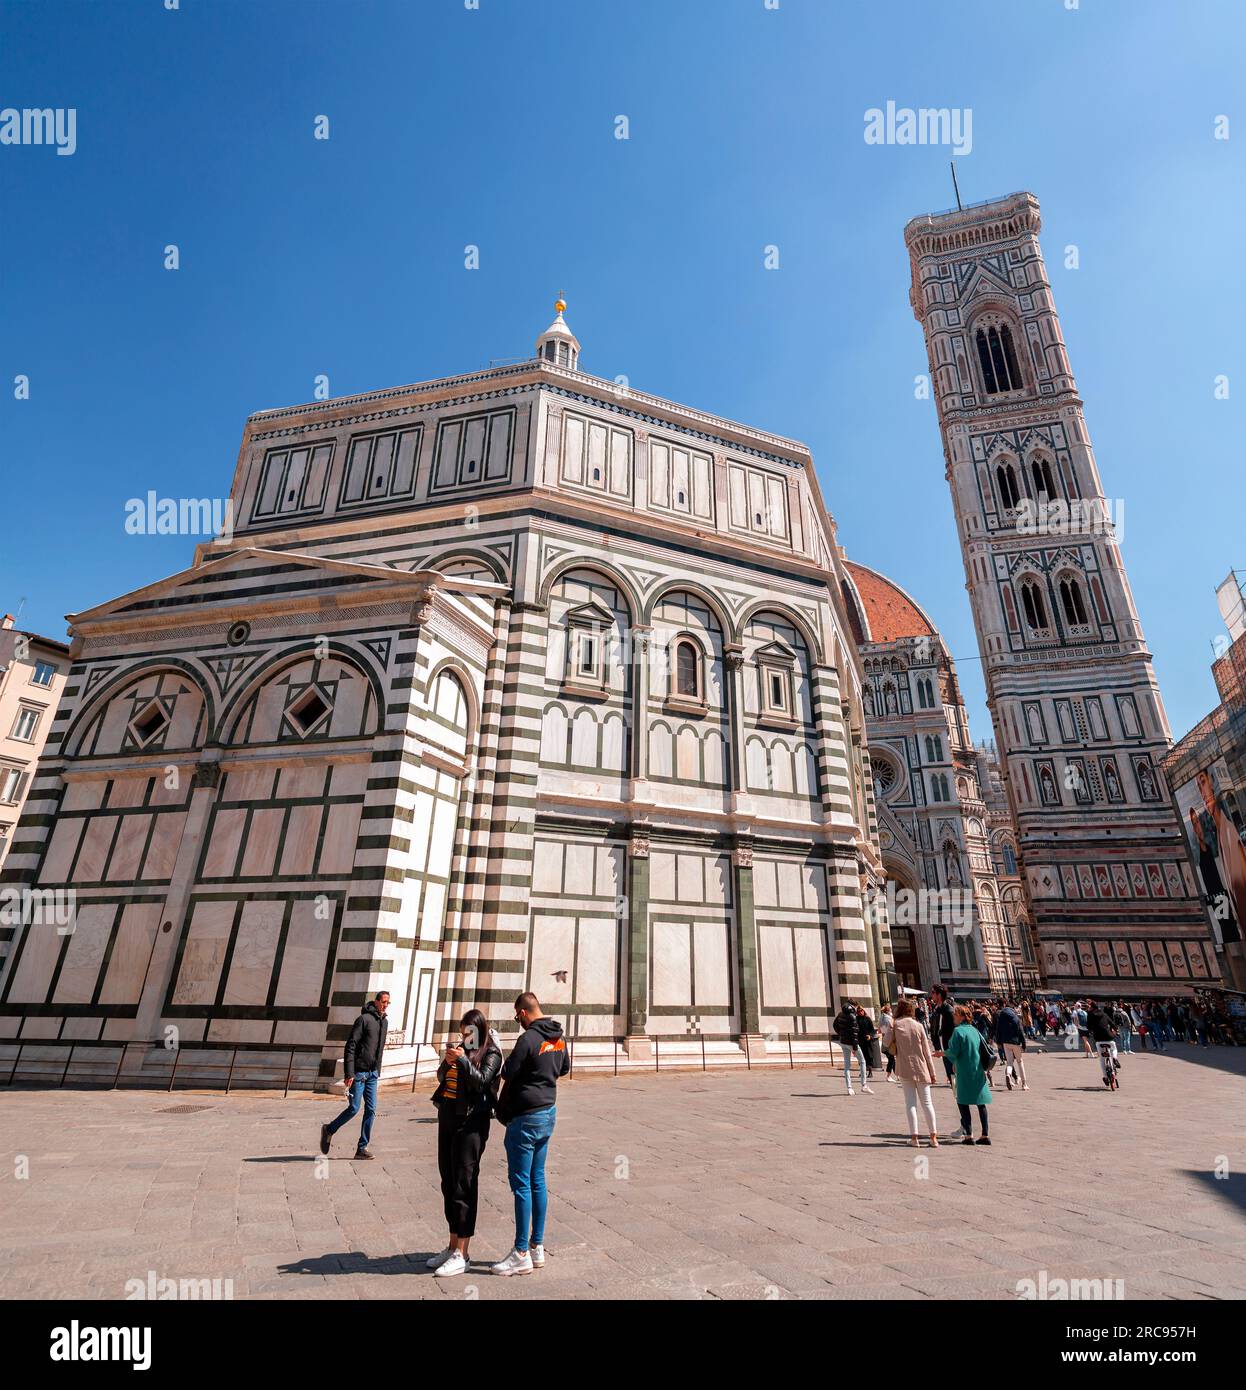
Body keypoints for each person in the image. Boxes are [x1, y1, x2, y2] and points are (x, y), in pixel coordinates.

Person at [491, 992, 569, 1277]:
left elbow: (507, 1072)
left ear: (522, 1013)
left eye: (516, 1017)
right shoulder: (558, 1037)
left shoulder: (528, 1039)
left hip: (525, 1118)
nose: (517, 1021)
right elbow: (564, 1068)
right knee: (538, 1180)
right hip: (548, 1112)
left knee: (522, 1184)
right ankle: (537, 1246)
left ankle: (520, 1252)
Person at [426, 1009, 503, 1279]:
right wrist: (448, 1062)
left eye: (468, 1033)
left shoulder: (492, 1054)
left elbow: (482, 1083)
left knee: (464, 1184)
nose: (464, 1038)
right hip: (448, 1117)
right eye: (462, 1033)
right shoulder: (461, 1051)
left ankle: (463, 1252)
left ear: (479, 1031)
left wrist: (462, 1062)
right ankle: (451, 1246)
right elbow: (441, 1078)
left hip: (472, 1124)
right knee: (448, 1181)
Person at [320, 990, 389, 1160]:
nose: (385, 1005)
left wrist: (377, 1069)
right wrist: (349, 1073)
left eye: (388, 1003)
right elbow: (350, 1046)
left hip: (372, 1074)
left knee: (371, 1110)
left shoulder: (384, 1022)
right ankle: (329, 1129)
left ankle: (362, 1148)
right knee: (354, 1108)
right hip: (359, 1073)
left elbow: (378, 1049)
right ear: (376, 1002)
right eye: (383, 1002)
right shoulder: (363, 1020)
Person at [890, 998, 940, 1147]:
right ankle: (933, 1138)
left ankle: (914, 1138)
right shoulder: (919, 1026)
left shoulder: (896, 1025)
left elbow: (886, 1042)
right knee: (927, 1103)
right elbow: (926, 1052)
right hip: (921, 1068)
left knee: (910, 1104)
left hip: (905, 1069)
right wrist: (933, 1072)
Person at [944, 1004, 992, 1144]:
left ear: (962, 1016)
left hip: (964, 1071)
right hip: (977, 1070)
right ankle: (985, 1135)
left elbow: (953, 1052)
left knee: (962, 1102)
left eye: (956, 1014)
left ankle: (969, 1135)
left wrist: (942, 1053)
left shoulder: (958, 1031)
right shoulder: (974, 1030)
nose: (954, 1017)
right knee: (981, 1103)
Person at [834, 1000, 871, 1095]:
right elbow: (854, 1032)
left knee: (847, 1065)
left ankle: (849, 1088)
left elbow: (835, 1025)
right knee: (862, 1061)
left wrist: (841, 1034)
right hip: (851, 1043)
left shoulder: (840, 1014)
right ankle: (864, 1085)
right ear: (854, 1006)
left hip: (843, 1042)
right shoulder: (852, 1016)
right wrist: (855, 1047)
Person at [993, 999, 1029, 1091]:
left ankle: (1008, 1074)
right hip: (1015, 1042)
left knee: (1009, 1062)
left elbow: (998, 1030)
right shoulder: (1015, 1017)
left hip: (1005, 1042)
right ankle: (1024, 1084)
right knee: (1020, 1062)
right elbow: (1021, 1031)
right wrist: (1024, 1044)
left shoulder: (1001, 1016)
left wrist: (998, 1042)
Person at [929, 985, 957, 1090]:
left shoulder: (949, 1011)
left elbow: (955, 1031)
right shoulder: (938, 1010)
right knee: (951, 1075)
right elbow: (935, 1029)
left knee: (954, 1074)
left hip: (950, 1048)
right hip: (943, 1048)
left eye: (933, 992)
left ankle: (960, 1097)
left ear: (939, 995)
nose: (931, 995)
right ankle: (957, 1094)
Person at [857, 1004, 879, 1082]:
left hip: (867, 1040)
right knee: (861, 1056)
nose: (860, 1012)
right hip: (860, 1040)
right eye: (858, 1011)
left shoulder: (867, 1019)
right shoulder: (856, 1019)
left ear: (863, 1011)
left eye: (861, 1011)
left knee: (868, 1056)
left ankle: (870, 1071)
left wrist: (870, 1035)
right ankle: (862, 1072)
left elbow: (872, 1029)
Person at [880, 1002, 897, 1081]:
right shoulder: (888, 1019)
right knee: (891, 1059)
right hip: (889, 1041)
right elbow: (890, 1030)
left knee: (892, 1058)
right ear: (888, 1011)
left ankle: (897, 1075)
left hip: (885, 1040)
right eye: (890, 1009)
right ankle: (888, 1076)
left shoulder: (882, 1018)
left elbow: (881, 1029)